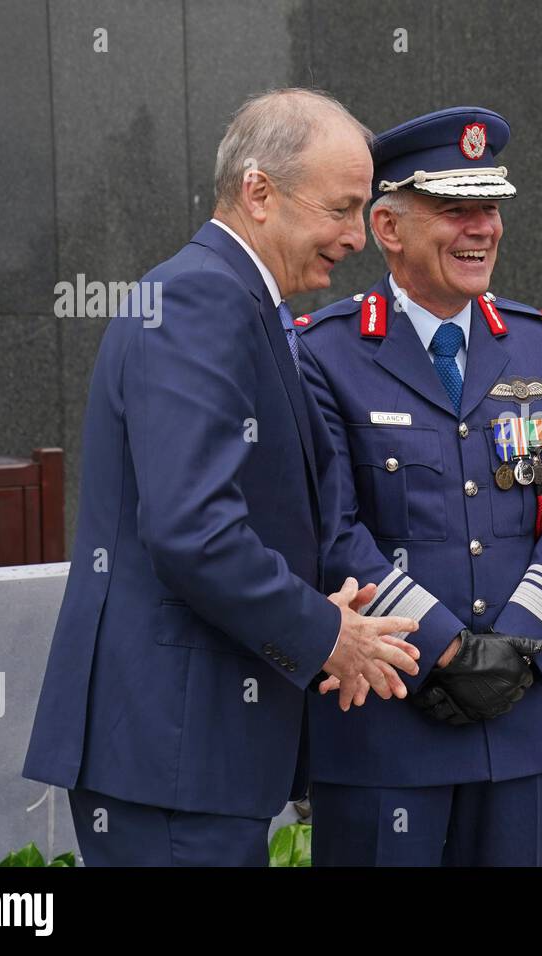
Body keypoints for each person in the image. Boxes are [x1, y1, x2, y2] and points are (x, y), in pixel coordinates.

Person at [22, 89, 421, 867]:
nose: (354, 237)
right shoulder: (204, 298)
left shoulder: (237, 299)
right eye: (341, 209)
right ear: (259, 191)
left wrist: (312, 607)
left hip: (192, 754)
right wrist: (326, 635)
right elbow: (192, 531)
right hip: (174, 754)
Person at [296, 107, 542, 866]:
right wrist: (445, 651)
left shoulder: (540, 344)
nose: (481, 229)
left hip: (518, 719)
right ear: (389, 228)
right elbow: (330, 531)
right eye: (455, 209)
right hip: (389, 718)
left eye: (490, 207)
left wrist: (517, 651)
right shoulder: (325, 353)